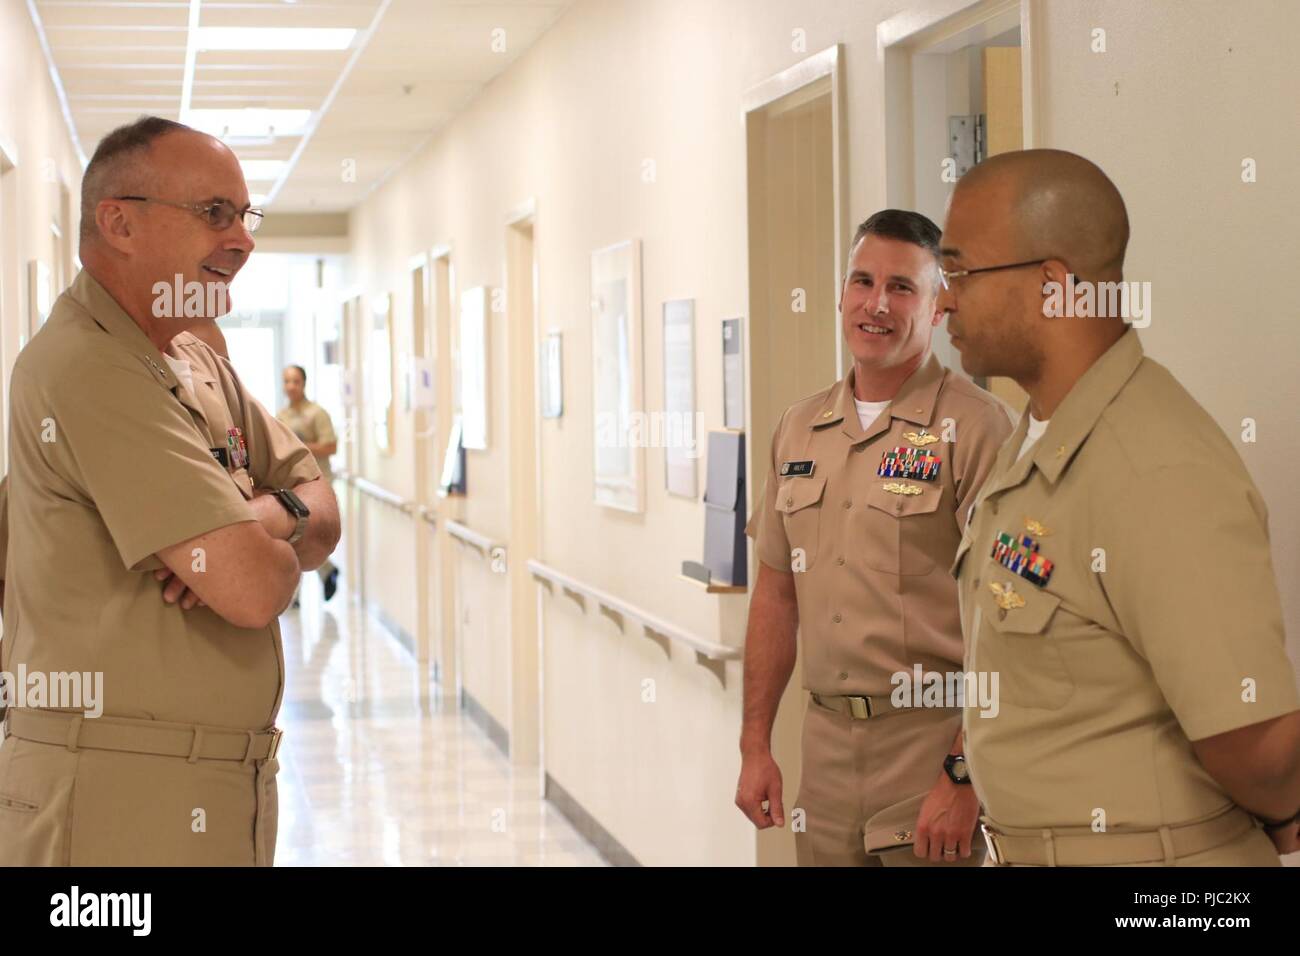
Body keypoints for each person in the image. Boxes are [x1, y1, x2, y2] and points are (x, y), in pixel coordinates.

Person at [940, 148, 1300, 865]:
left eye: (959, 270)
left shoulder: (1155, 466)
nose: (943, 298)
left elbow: (1255, 742)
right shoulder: (1039, 438)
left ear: (1052, 285)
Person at [0, 115, 341, 865]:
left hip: (217, 782)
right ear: (118, 222)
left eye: (244, 216)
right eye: (214, 213)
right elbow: (253, 589)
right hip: (113, 795)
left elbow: (321, 507)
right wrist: (271, 540)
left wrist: (265, 515)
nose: (243, 240)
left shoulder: (195, 353)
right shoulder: (87, 367)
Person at [736, 210, 1014, 865]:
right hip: (825, 755)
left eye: (902, 288)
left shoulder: (976, 428)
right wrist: (755, 744)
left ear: (939, 307)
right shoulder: (799, 428)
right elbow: (777, 595)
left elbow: (1008, 618)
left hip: (928, 755)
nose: (876, 304)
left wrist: (964, 774)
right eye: (863, 282)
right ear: (841, 295)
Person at [277, 364, 340, 601]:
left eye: (295, 381)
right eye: (287, 381)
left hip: (318, 481)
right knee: (297, 536)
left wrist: (300, 446)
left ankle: (300, 593)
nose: (291, 386)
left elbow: (330, 446)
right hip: (294, 483)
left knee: (307, 536)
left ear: (304, 384)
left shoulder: (317, 413)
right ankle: (323, 575)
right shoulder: (281, 415)